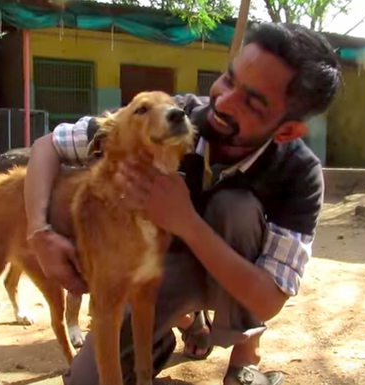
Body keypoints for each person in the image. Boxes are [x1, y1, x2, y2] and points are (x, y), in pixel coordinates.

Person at [23, 22, 341, 385]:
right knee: (87, 381)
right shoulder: (173, 116)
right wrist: (39, 232)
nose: (223, 102)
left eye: (251, 103)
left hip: (233, 273)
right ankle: (168, 333)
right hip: (162, 271)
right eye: (229, 79)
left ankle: (244, 355)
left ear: (286, 131)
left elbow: (269, 298)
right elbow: (48, 145)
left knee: (236, 208)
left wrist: (184, 220)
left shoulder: (299, 174)